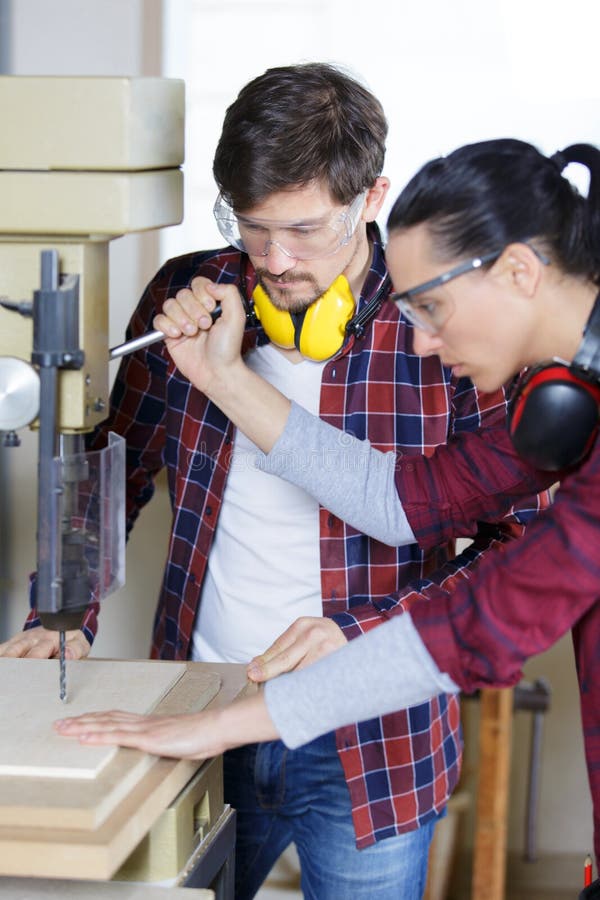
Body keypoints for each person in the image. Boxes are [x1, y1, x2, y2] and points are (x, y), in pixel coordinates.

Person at [7, 64, 544, 899]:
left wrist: (370, 631)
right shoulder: (190, 301)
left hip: (372, 737)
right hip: (201, 703)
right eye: (253, 229)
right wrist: (64, 610)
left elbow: (520, 543)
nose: (275, 260)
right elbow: (109, 471)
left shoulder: (447, 336)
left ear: (372, 197)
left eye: (303, 230)